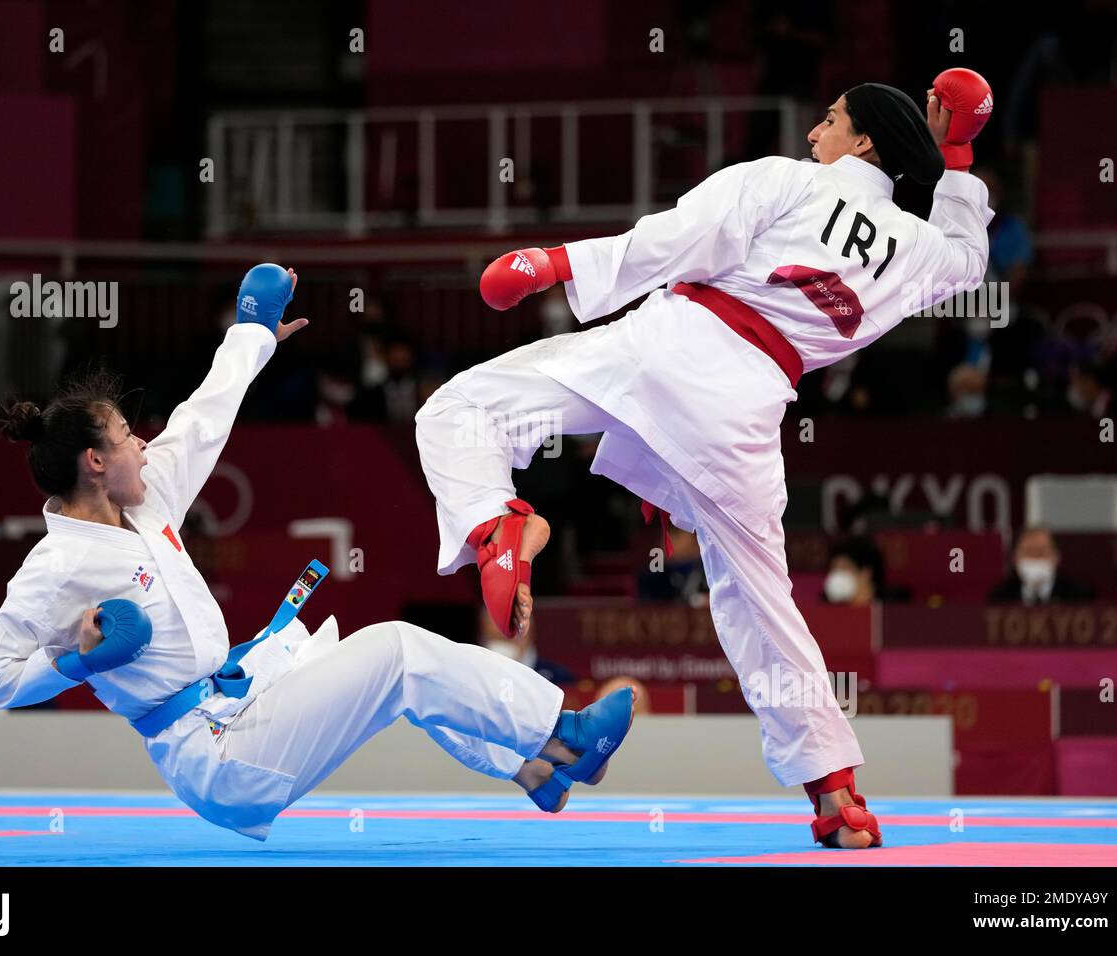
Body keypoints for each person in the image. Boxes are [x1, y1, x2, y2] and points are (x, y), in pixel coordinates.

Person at [415, 71, 996, 849]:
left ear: (861, 141)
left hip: (671, 343)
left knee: (462, 407)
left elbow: (682, 234)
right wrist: (955, 156)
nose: (813, 133)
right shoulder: (916, 250)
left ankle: (494, 521)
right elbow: (967, 259)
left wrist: (556, 262)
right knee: (761, 603)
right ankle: (836, 794)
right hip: (748, 405)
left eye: (830, 120)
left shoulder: (785, 180)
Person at [0, 264, 637, 841]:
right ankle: (565, 734)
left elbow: (206, 413)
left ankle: (532, 765)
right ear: (94, 462)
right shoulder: (56, 570)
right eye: (124, 436)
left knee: (361, 668)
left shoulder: (146, 496)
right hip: (214, 757)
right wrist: (75, 660)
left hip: (238, 697)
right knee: (397, 653)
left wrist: (253, 330)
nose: (141, 443)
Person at [987, 526, 1096, 606]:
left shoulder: (1080, 596)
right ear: (1015, 559)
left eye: (1041, 553)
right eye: (1028, 553)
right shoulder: (1000, 597)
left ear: (1056, 557)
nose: (1035, 559)